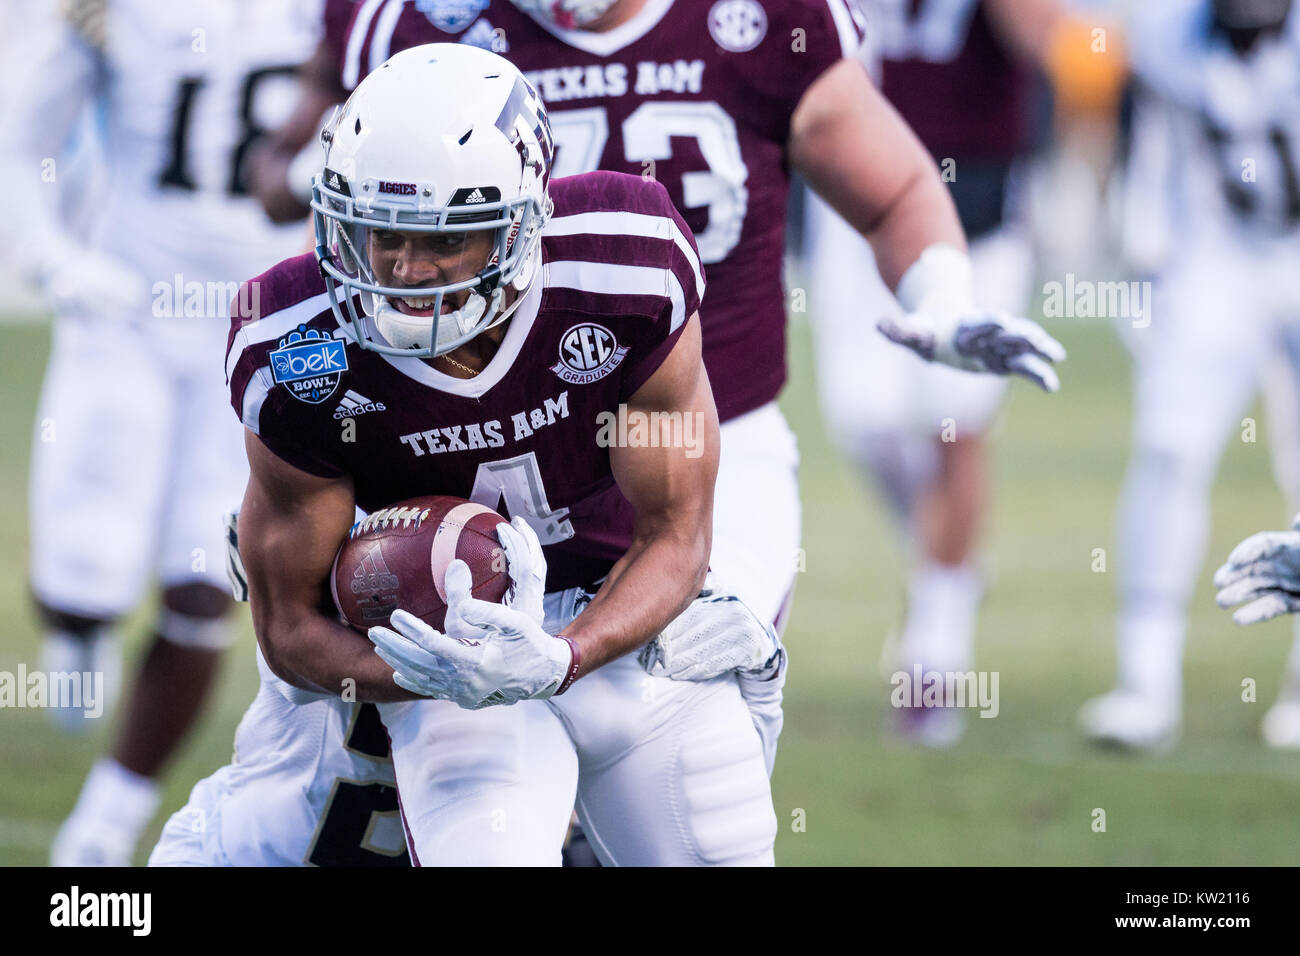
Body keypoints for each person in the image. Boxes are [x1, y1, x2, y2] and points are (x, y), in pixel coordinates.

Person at [154, 0, 1064, 866]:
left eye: (445, 242)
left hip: (682, 464)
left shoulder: (630, 259)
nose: (405, 274)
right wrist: (422, 662)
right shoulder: (298, 334)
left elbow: (678, 540)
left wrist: (942, 291)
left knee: (709, 794)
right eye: (380, 237)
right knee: (383, 809)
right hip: (438, 567)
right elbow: (288, 626)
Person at [0, 0, 320, 865]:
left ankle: (105, 823)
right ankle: (79, 628)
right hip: (129, 310)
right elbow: (22, 135)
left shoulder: (336, 15)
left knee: (205, 582)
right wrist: (52, 255)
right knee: (83, 580)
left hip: (263, 325)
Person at [802, 0, 1123, 746]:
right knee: (865, 423)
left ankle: (934, 655)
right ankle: (949, 558)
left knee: (956, 424)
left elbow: (1056, 43)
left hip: (976, 202)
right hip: (859, 198)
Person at [1078, 0, 1300, 750]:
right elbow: (1148, 144)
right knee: (1169, 448)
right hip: (1219, 257)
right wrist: (1142, 259)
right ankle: (1146, 682)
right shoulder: (1170, 31)